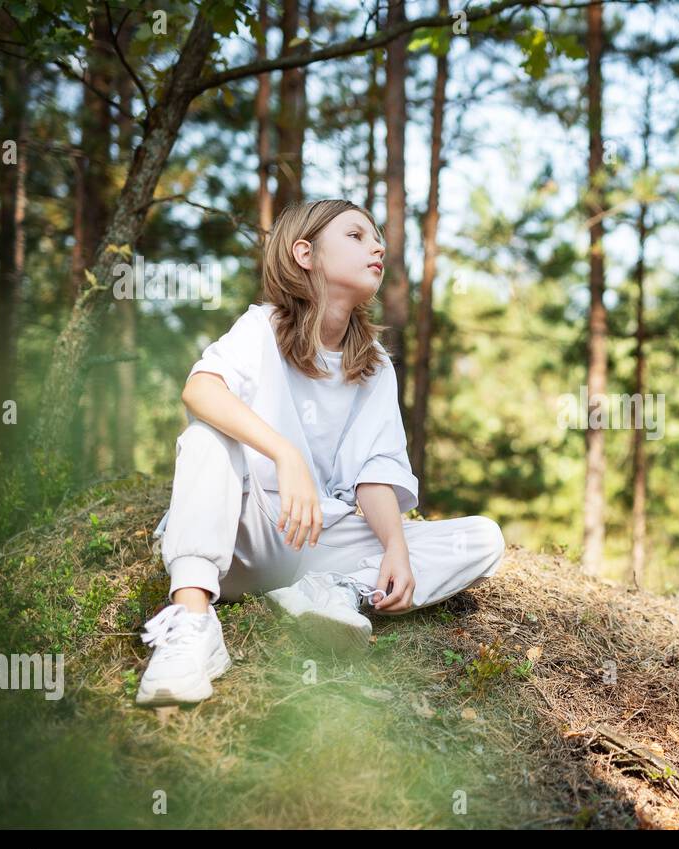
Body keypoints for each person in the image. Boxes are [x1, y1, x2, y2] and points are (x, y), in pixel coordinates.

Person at [137, 199, 505, 707]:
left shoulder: (374, 364)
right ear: (305, 253)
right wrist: (285, 454)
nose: (377, 246)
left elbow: (374, 470)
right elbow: (200, 390)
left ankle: (334, 593)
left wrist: (396, 551)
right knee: (206, 436)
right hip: (243, 536)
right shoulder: (260, 328)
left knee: (482, 538)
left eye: (378, 239)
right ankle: (192, 626)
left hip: (316, 545)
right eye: (356, 236)